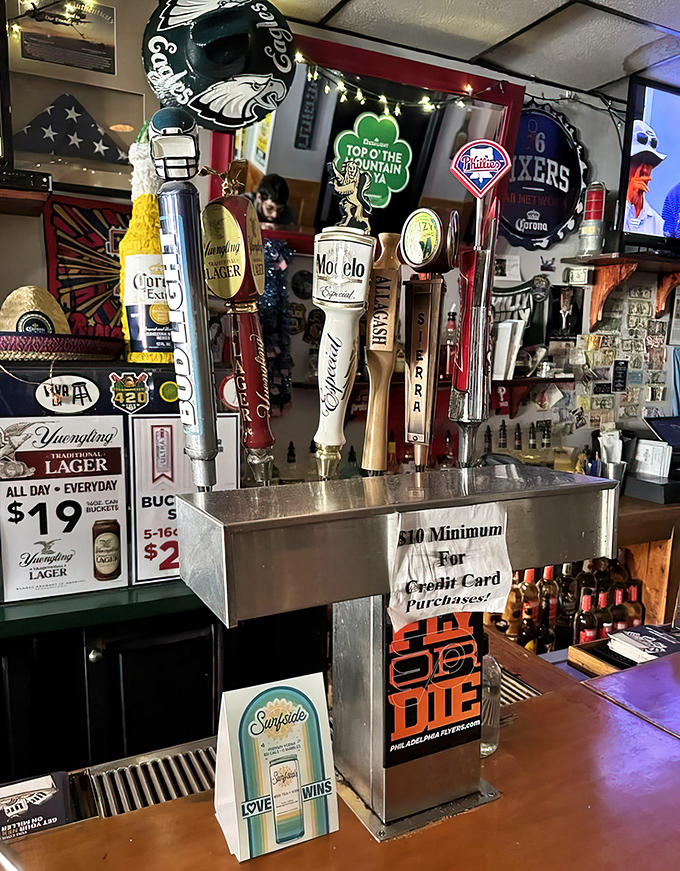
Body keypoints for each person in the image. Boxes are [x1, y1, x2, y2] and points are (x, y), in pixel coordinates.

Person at [623, 119, 666, 236]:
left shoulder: (658, 225)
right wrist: (628, 202)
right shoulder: (606, 209)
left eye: (649, 163)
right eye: (637, 161)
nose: (644, 170)